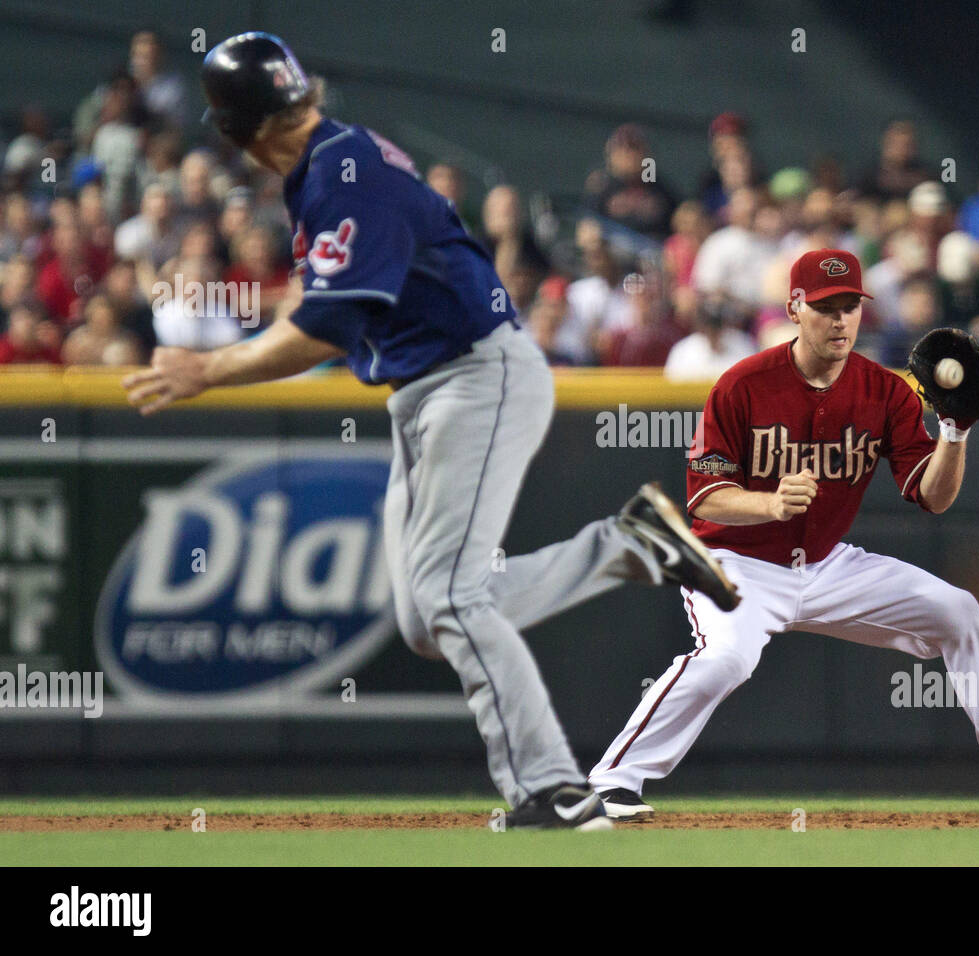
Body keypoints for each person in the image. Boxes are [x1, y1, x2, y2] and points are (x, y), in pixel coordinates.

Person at [122, 32, 739, 830]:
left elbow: (329, 324)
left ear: (239, 133)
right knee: (425, 620)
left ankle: (550, 787)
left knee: (449, 596)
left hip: (475, 375)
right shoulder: (334, 162)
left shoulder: (341, 175)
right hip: (431, 386)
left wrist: (207, 369)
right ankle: (633, 547)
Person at [589, 248, 979, 824]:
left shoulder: (886, 390)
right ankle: (609, 784)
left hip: (828, 564)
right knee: (727, 658)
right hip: (736, 562)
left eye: (850, 306)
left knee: (959, 611)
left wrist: (953, 432)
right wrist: (771, 502)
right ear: (795, 308)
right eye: (827, 307)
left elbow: (933, 496)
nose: (841, 319)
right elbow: (706, 500)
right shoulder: (742, 384)